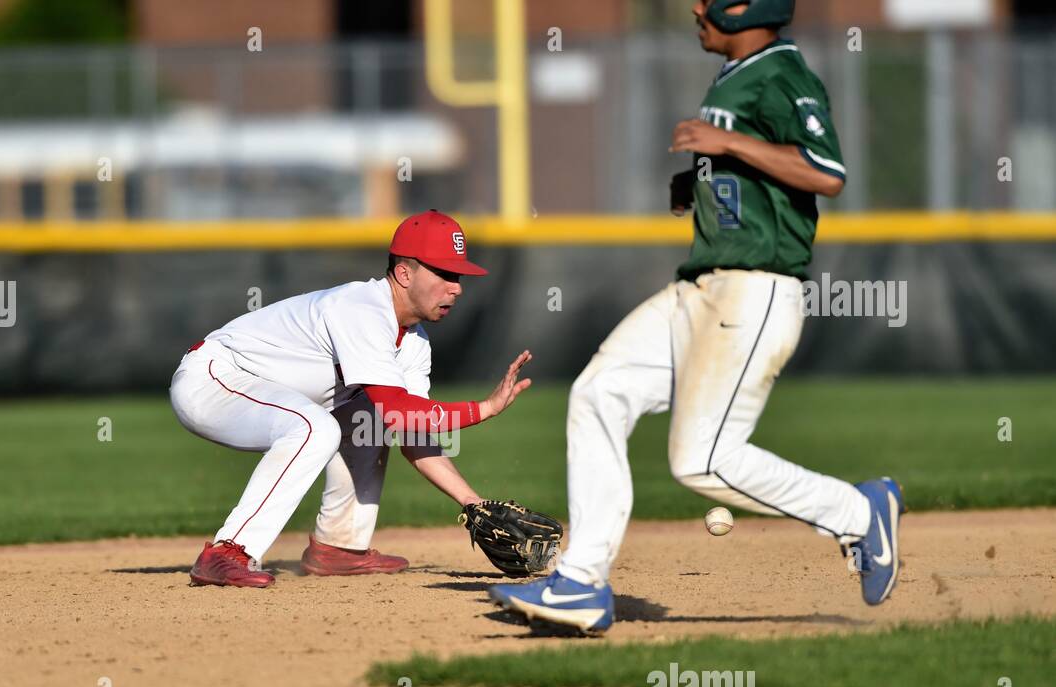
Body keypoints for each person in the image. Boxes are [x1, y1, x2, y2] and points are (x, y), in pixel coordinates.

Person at [491, 0, 904, 632]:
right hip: (702, 288)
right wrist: (707, 180)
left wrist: (726, 144)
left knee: (701, 460)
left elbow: (827, 171)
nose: (697, 7)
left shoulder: (782, 72)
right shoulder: (737, 73)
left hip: (756, 291)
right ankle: (580, 583)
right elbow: (760, 168)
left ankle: (858, 513)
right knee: (598, 393)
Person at [170, 210, 533, 588]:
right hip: (212, 381)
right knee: (316, 427)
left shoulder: (414, 341)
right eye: (444, 274)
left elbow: (412, 430)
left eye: (457, 276)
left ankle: (339, 547)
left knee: (366, 414)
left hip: (265, 392)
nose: (456, 287)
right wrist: (485, 409)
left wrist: (472, 503)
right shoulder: (361, 308)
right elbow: (400, 412)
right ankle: (229, 550)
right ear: (405, 273)